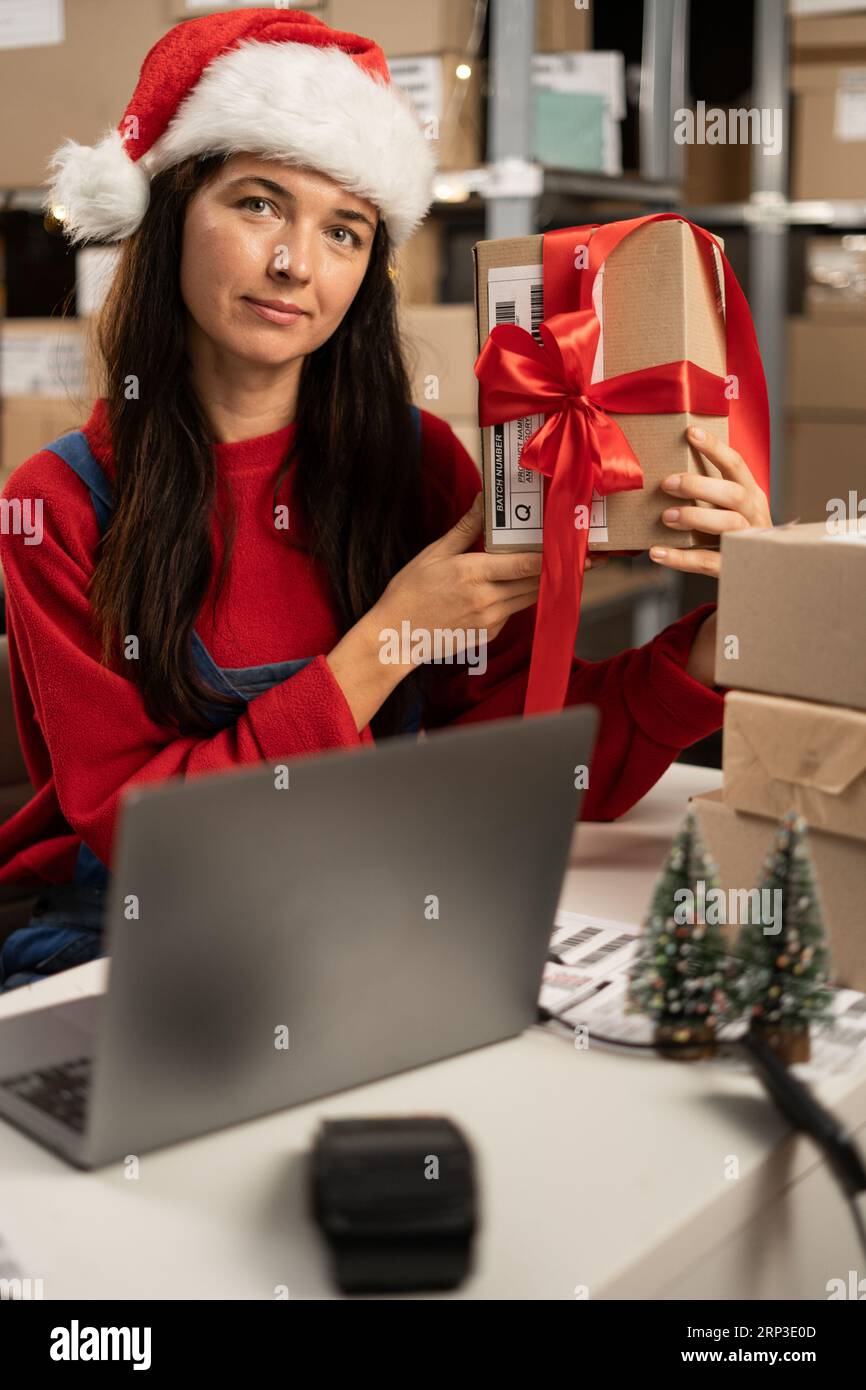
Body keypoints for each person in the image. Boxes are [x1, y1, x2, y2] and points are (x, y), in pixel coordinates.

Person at [0, 8, 771, 992]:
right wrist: (388, 640)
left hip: (361, 912)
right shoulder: (62, 503)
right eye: (257, 204)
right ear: (168, 211)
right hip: (134, 943)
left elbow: (522, 761)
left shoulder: (419, 467)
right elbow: (152, 839)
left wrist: (714, 640)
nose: (297, 264)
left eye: (344, 230)